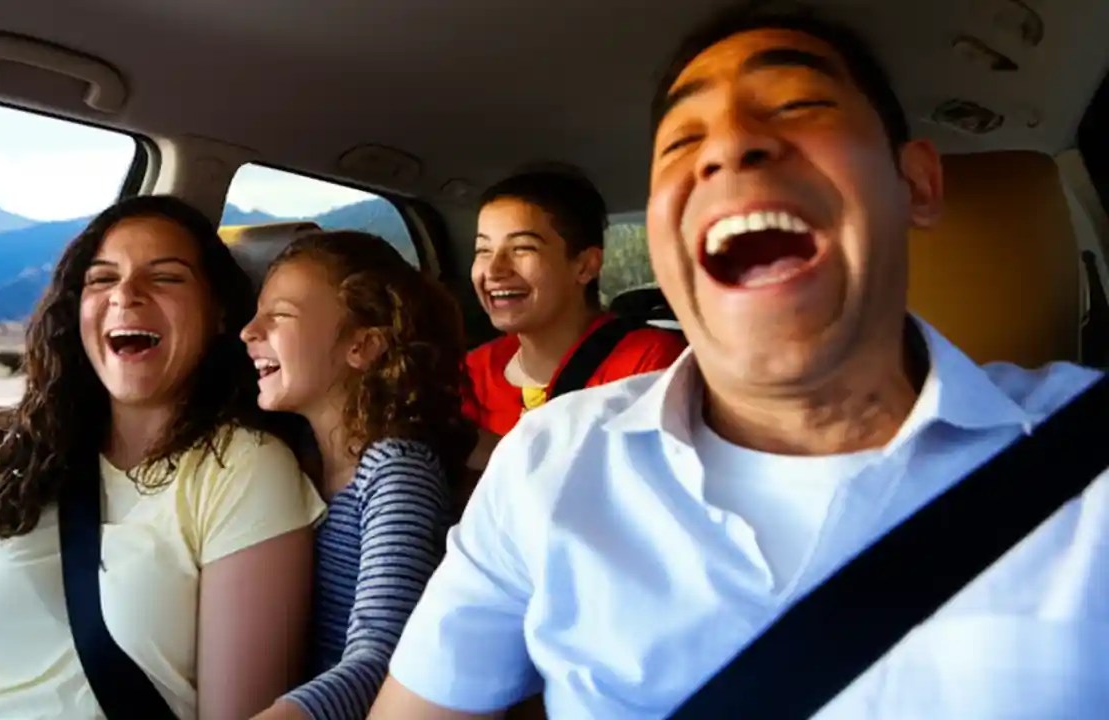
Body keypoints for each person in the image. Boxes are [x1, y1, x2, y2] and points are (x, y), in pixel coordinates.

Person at [371, 5, 1107, 719]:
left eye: (798, 105)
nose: (726, 148)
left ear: (915, 182)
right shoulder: (547, 467)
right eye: (681, 142)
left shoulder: (1086, 461)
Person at [0, 195, 325, 720]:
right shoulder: (29, 455)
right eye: (102, 279)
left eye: (166, 277)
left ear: (218, 314)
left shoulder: (244, 468)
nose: (125, 294)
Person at [240, 231, 476, 720]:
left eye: (279, 316)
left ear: (362, 345)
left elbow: (380, 662)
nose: (248, 331)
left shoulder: (396, 472)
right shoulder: (288, 460)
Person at [464, 169, 687, 447]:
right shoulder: (471, 374)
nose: (495, 270)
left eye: (522, 248)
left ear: (585, 266)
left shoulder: (648, 363)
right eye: (483, 250)